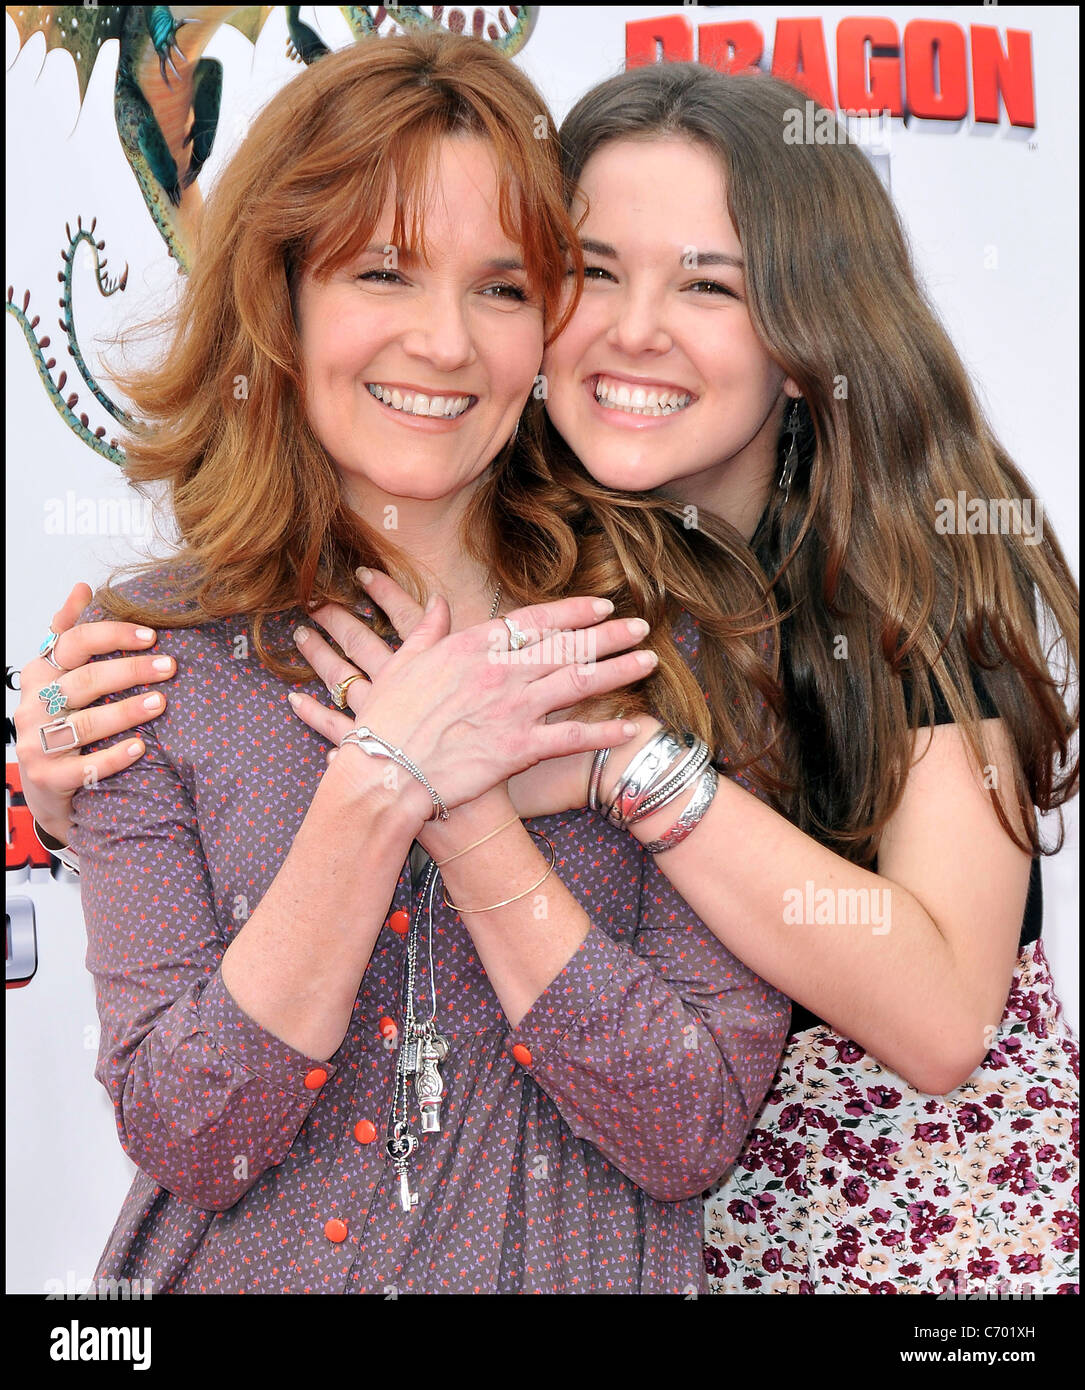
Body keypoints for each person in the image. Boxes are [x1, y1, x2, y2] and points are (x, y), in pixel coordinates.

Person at [18, 58, 1078, 1296]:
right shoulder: (209, 640)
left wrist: (587, 764)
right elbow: (189, 1107)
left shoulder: (881, 593)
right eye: (595, 273)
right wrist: (79, 794)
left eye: (708, 285)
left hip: (917, 1245)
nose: (633, 329)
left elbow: (938, 1019)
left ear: (808, 336)